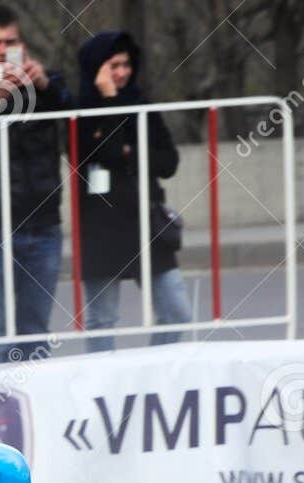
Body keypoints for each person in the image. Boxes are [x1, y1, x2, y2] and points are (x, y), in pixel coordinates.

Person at [0, 6, 70, 365]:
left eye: (11, 42)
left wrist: (44, 85)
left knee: (35, 329)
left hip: (44, 224)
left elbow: (75, 115)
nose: (2, 51)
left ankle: (32, 411)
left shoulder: (45, 83)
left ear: (22, 45)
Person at [76, 30, 191, 351]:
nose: (122, 72)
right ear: (96, 68)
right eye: (113, 65)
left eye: (126, 64)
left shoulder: (141, 103)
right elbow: (106, 153)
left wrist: (130, 152)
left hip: (147, 221)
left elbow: (169, 161)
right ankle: (101, 390)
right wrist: (110, 100)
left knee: (177, 313)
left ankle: (154, 375)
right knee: (102, 321)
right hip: (101, 226)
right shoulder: (80, 109)